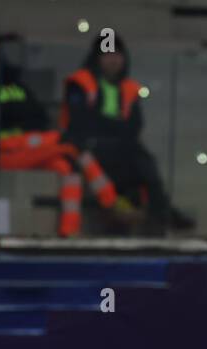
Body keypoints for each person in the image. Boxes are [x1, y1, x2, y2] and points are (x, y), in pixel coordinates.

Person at [0, 36, 128, 237]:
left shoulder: (16, 84)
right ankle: (110, 201)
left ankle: (69, 231)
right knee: (69, 144)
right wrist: (19, 113)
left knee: (66, 166)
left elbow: (38, 115)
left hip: (26, 147)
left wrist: (17, 113)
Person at [60, 31, 195, 234]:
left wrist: (111, 126)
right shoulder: (81, 83)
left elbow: (135, 125)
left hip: (122, 148)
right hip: (88, 146)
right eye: (107, 54)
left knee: (143, 162)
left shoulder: (129, 88)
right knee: (134, 159)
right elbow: (82, 121)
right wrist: (115, 126)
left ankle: (158, 212)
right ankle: (160, 211)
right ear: (97, 58)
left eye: (117, 54)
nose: (113, 60)